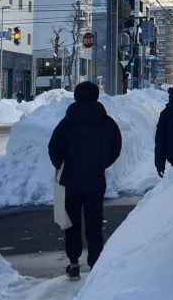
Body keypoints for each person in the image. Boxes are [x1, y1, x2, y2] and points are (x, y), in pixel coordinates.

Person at [48, 81, 122, 279]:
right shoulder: (106, 122)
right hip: (95, 179)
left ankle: (73, 263)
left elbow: (54, 148)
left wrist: (63, 165)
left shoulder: (68, 122)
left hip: (71, 179)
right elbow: (115, 147)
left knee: (71, 222)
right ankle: (95, 263)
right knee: (94, 222)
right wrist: (100, 164)